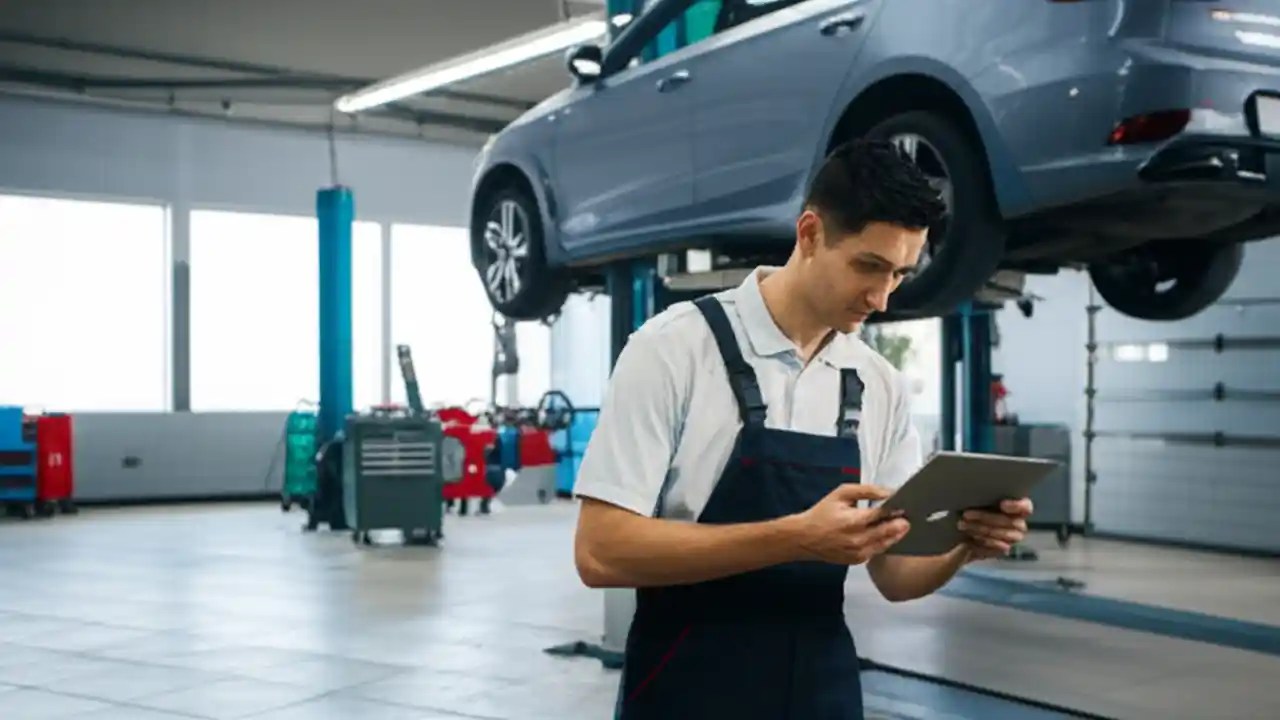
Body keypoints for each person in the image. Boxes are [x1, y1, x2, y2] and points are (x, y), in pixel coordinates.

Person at [571, 139, 1035, 719]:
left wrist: (965, 544)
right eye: (868, 265)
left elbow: (895, 573)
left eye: (899, 273)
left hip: (822, 692)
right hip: (685, 690)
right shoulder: (673, 350)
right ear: (810, 234)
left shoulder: (878, 385)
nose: (882, 296)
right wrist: (795, 537)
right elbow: (601, 551)